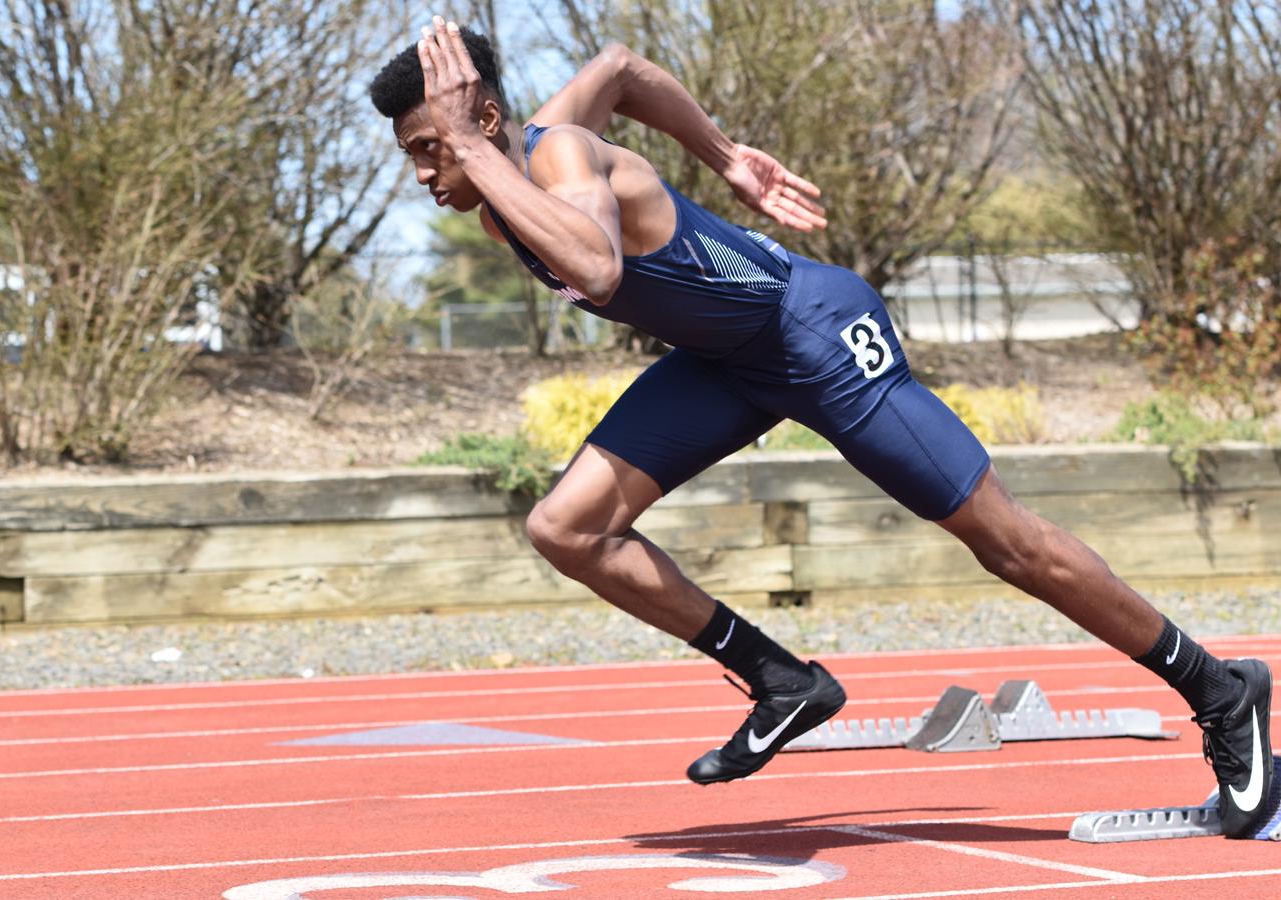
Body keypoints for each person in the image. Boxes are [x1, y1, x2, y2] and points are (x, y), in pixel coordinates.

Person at [368, 18, 1274, 837]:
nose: (422, 175)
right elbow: (620, 67)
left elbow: (599, 268)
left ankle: (1219, 688)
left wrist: (483, 150)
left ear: (481, 119)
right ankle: (783, 680)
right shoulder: (503, 190)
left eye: (428, 147)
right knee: (566, 528)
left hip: (814, 334)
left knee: (1010, 548)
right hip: (725, 365)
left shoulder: (560, 156)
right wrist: (724, 157)